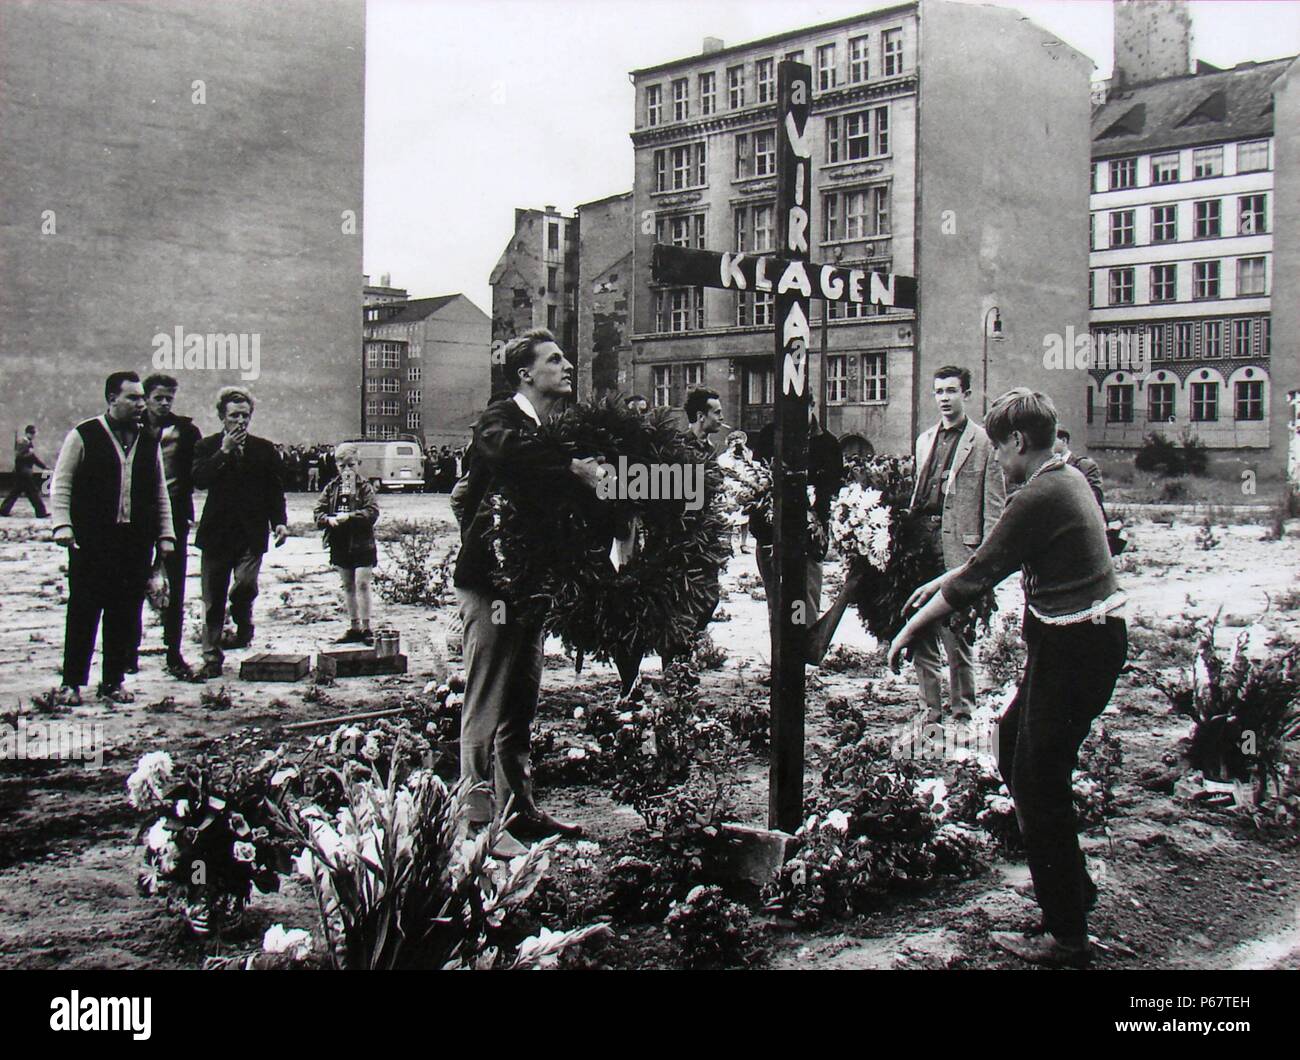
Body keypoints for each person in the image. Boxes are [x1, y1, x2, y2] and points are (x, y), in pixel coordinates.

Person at [888, 388, 1126, 968]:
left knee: (1037, 780)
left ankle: (1066, 936)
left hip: (1078, 649)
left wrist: (905, 631)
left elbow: (982, 573)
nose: (996, 459)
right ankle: (1072, 890)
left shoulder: (1040, 494)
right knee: (1013, 745)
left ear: (1018, 441)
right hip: (1074, 641)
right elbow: (988, 560)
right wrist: (938, 583)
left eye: (998, 449)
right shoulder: (1062, 476)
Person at [454, 328, 604, 853]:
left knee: (520, 706)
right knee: (486, 700)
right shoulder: (503, 418)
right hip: (489, 584)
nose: (566, 366)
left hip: (529, 588)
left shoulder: (553, 427)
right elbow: (501, 452)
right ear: (526, 373)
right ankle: (475, 826)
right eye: (555, 359)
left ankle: (518, 815)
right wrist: (570, 467)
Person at [49, 372, 176, 704]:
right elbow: (61, 483)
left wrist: (166, 535)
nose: (140, 404)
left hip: (134, 543)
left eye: (140, 398)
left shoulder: (148, 441)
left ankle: (113, 682)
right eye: (132, 398)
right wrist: (63, 525)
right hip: (91, 542)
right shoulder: (83, 435)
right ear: (111, 399)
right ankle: (72, 683)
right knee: (83, 611)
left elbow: (160, 493)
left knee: (124, 613)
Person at [907, 365, 1005, 723]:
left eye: (951, 391)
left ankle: (963, 707)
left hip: (960, 552)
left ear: (966, 394)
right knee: (919, 625)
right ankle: (930, 708)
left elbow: (994, 506)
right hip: (922, 545)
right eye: (939, 392)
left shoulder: (983, 443)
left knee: (957, 630)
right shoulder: (924, 440)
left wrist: (986, 561)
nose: (944, 398)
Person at [192, 387, 288, 679]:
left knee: (245, 585)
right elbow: (199, 480)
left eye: (245, 415)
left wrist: (279, 522)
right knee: (212, 599)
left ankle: (242, 616)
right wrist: (224, 452)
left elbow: (274, 489)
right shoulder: (207, 446)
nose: (240, 421)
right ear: (222, 417)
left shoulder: (264, 449)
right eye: (234, 415)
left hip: (251, 533)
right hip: (217, 534)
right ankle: (211, 658)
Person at [749, 401, 844, 654]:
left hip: (809, 539)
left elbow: (833, 492)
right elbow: (755, 484)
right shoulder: (770, 435)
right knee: (776, 605)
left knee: (805, 603)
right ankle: (780, 663)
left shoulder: (828, 444)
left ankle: (801, 662)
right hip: (771, 537)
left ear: (812, 405)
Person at [141, 374, 203, 680]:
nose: (164, 403)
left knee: (175, 584)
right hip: (136, 516)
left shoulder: (185, 431)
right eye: (159, 398)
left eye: (169, 398)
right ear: (146, 398)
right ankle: (126, 651)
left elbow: (197, 470)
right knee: (132, 582)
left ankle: (173, 651)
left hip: (175, 513)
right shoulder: (132, 427)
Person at [315, 442, 379, 644]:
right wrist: (328, 519)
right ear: (336, 466)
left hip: (362, 543)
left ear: (358, 464)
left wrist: (350, 517)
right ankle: (354, 626)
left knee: (362, 583)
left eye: (351, 465)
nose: (347, 470)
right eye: (342, 466)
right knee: (348, 585)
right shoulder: (332, 487)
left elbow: (372, 511)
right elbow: (318, 512)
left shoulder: (365, 487)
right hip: (340, 542)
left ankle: (367, 627)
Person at [716, 430, 754, 553]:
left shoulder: (746, 454)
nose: (736, 444)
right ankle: (728, 543)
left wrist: (744, 452)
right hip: (731, 487)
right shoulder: (724, 457)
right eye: (733, 441)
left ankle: (743, 543)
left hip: (744, 486)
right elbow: (726, 471)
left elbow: (750, 465)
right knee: (730, 515)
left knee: (745, 515)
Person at [1, 425, 49, 518]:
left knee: (16, 492)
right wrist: (30, 455)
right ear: (28, 433)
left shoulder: (27, 443)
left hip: (23, 473)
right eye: (33, 433)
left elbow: (32, 458)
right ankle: (41, 512)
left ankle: (3, 510)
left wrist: (44, 467)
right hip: (24, 473)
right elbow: (19, 457)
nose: (34, 435)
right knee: (33, 493)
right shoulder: (23, 443)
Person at [1052, 428, 1104, 509]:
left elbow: (1096, 496)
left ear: (1064, 441)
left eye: (1051, 441)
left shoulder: (1084, 466)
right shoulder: (1045, 466)